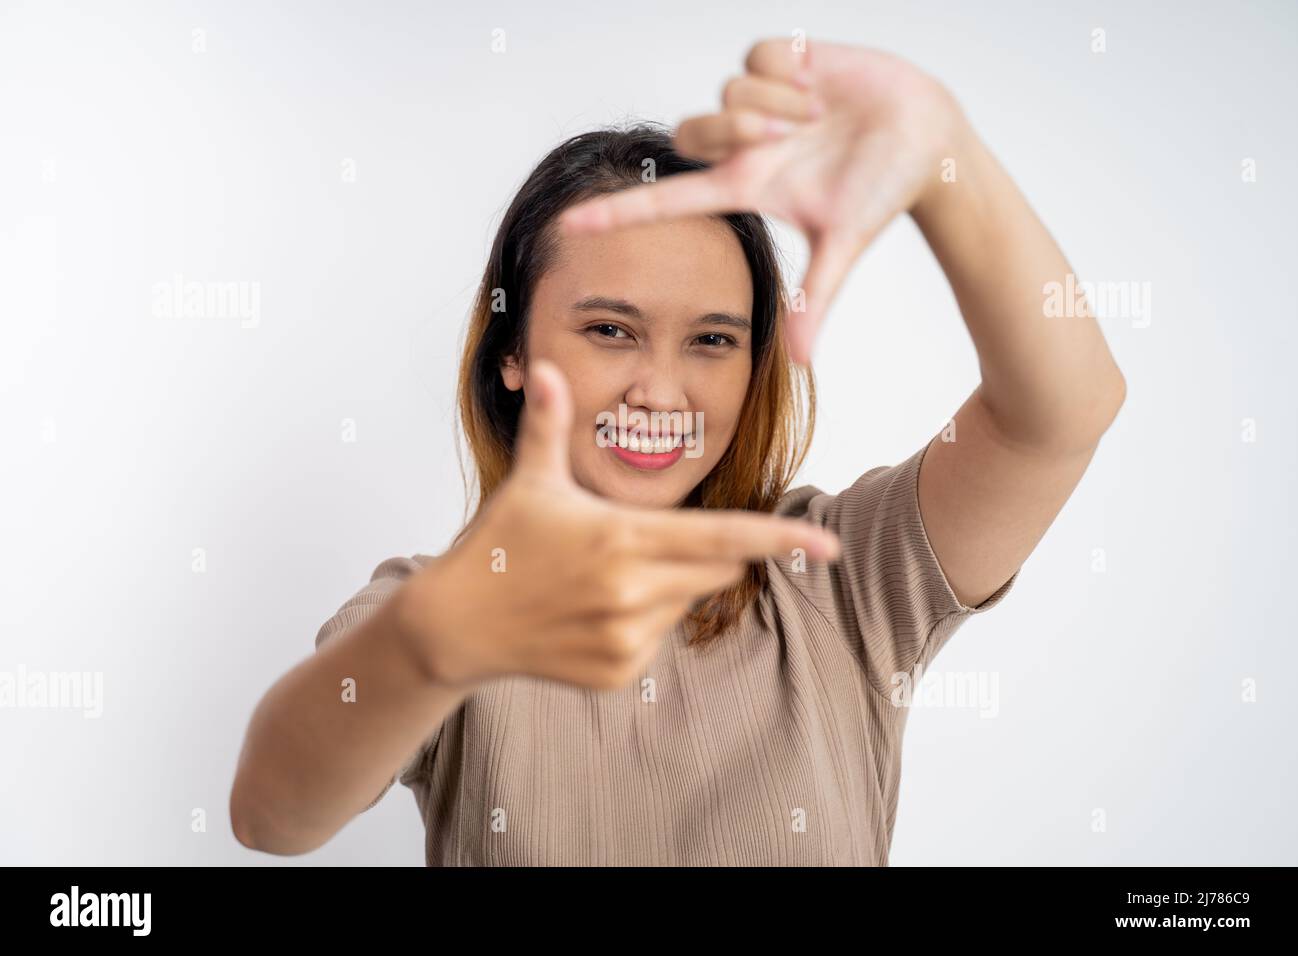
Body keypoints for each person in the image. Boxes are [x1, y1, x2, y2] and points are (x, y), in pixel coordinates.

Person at [230, 37, 1125, 865]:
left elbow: (1059, 414)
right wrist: (429, 645)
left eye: (711, 341)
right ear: (511, 350)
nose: (660, 391)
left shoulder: (837, 579)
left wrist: (947, 160)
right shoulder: (442, 608)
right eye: (611, 330)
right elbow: (271, 815)